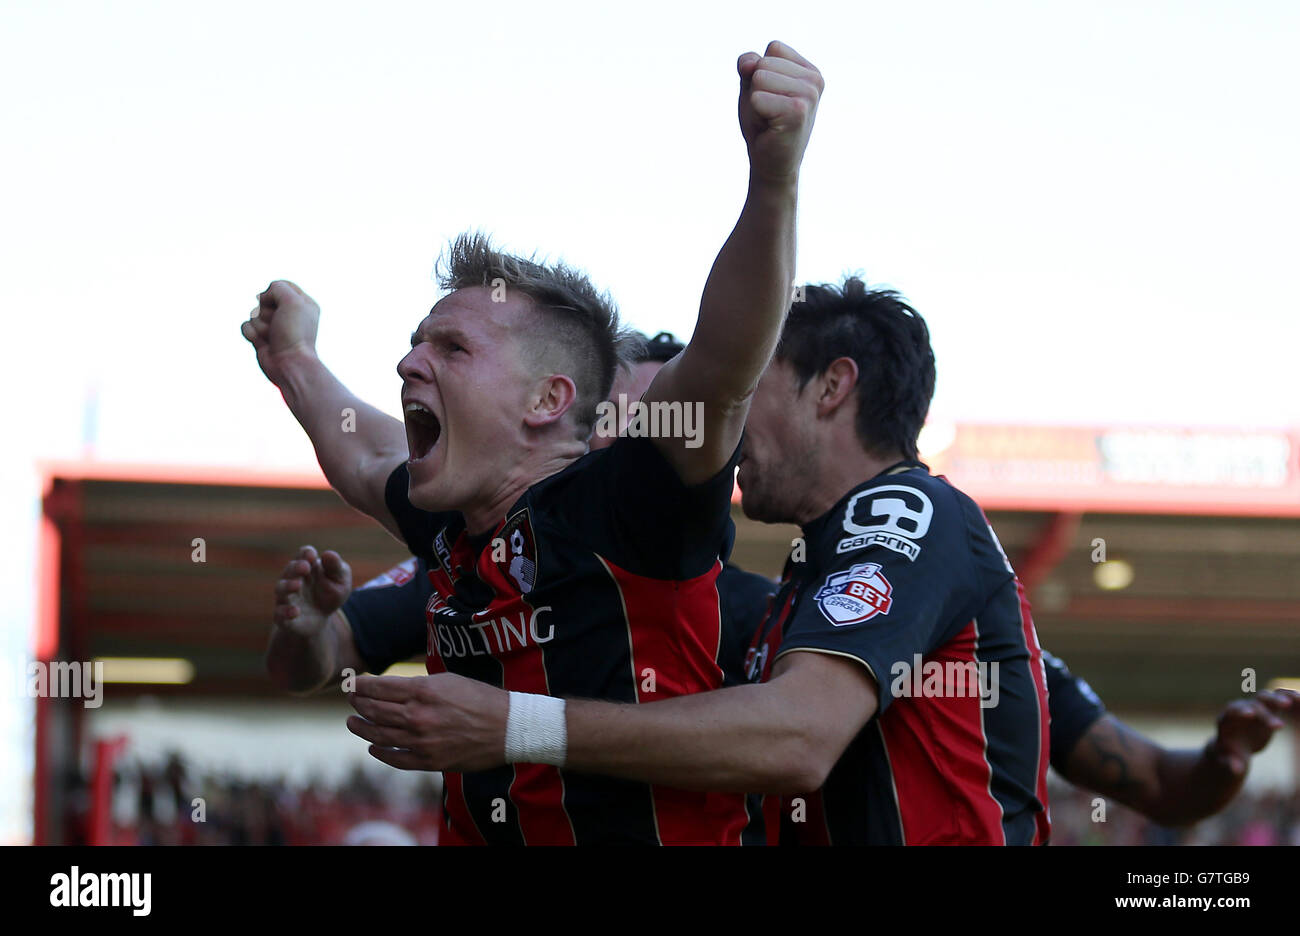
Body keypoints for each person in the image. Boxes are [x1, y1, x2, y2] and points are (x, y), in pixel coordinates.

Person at [245, 40, 824, 845]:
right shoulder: (446, 520)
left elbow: (723, 361)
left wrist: (773, 180)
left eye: (451, 348)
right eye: (417, 341)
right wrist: (293, 359)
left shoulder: (629, 505)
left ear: (548, 402)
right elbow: (358, 453)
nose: (409, 361)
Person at [341, 278, 1056, 845]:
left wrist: (514, 726)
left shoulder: (909, 511)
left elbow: (797, 739)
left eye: (754, 384)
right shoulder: (806, 574)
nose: (732, 422)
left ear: (831, 387)